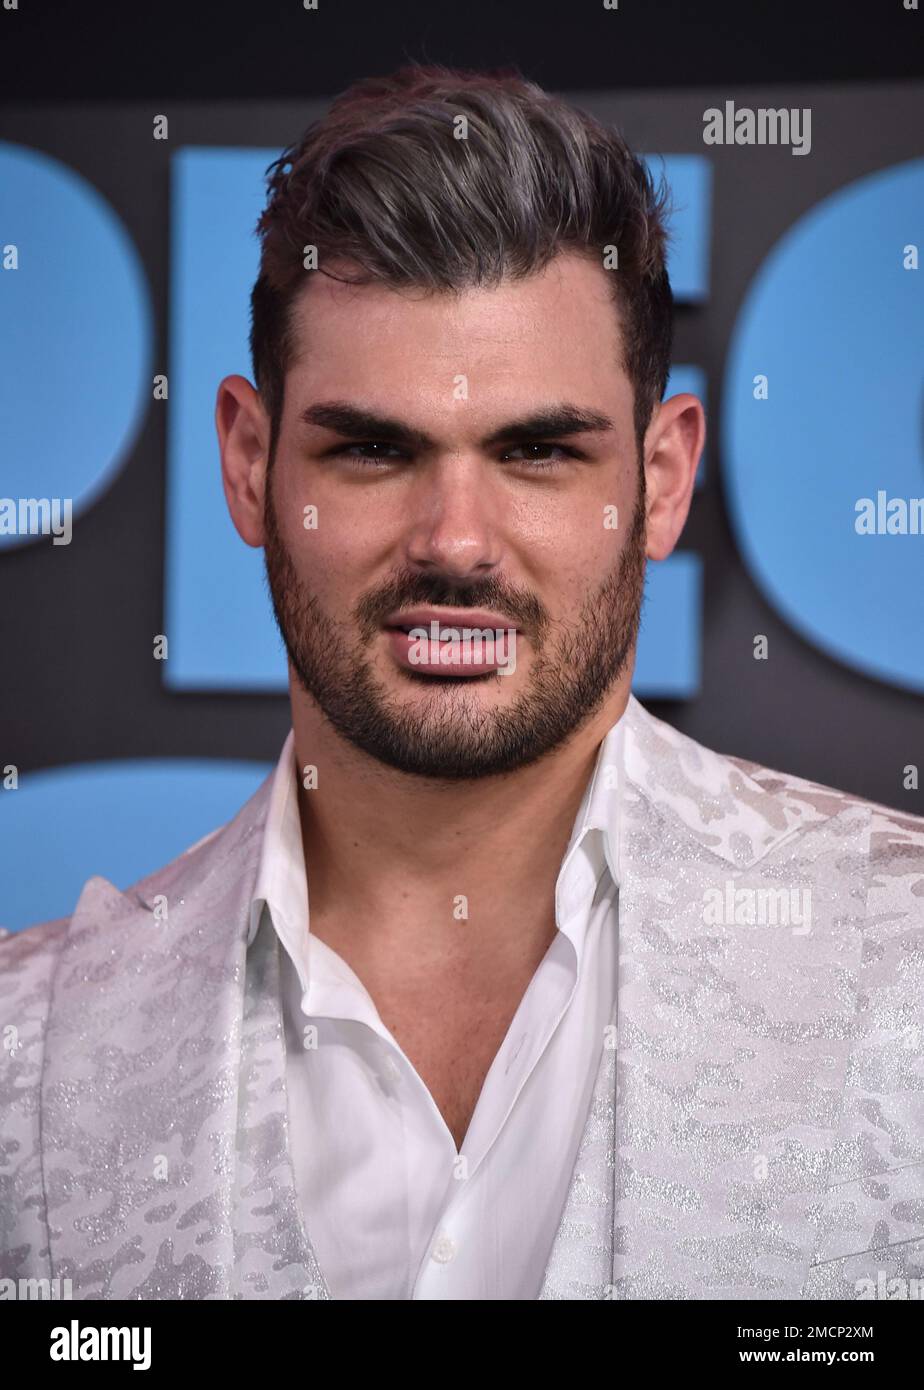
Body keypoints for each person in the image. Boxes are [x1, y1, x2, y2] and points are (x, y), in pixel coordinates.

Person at [2, 64, 922, 1302]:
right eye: (374, 450)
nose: (454, 539)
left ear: (659, 481)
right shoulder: (26, 1047)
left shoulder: (903, 960)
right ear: (248, 463)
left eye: (538, 451)